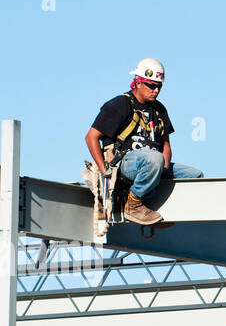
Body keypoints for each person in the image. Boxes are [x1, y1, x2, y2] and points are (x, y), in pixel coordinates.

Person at [84, 58, 203, 226]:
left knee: (195, 176)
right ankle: (132, 205)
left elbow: (166, 144)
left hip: (153, 163)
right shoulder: (120, 104)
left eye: (159, 86)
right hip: (124, 164)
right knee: (154, 158)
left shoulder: (159, 109)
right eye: (151, 85)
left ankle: (162, 210)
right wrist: (105, 170)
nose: (156, 90)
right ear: (137, 82)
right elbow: (91, 137)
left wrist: (165, 168)